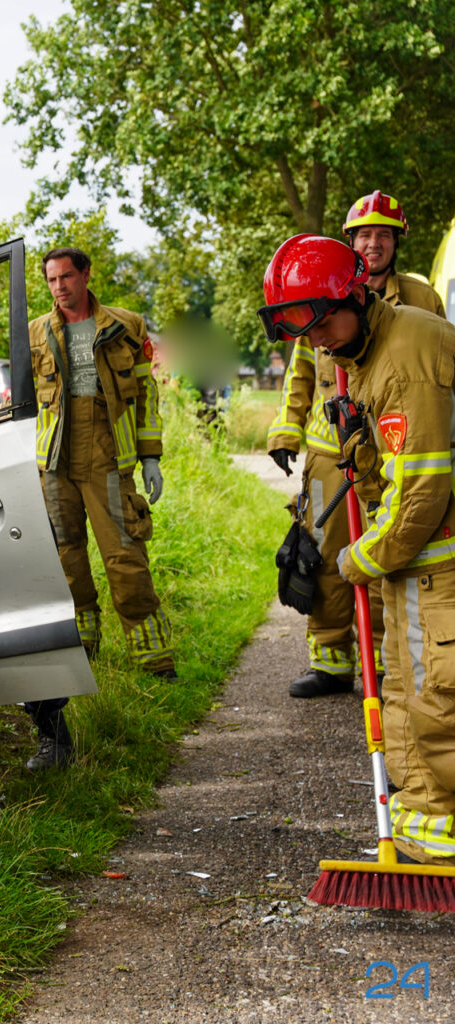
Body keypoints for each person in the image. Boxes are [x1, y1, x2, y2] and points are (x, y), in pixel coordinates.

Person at [259, 232, 455, 864]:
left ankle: (443, 821)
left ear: (352, 296)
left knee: (436, 696)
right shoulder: (361, 353)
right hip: (413, 565)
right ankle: (423, 810)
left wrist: (361, 559)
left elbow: (422, 493)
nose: (312, 340)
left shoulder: (405, 357)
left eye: (317, 321)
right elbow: (381, 472)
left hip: (437, 559)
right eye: (298, 328)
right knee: (399, 686)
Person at [265, 192, 444, 698]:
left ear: (396, 243)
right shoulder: (315, 289)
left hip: (389, 448)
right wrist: (285, 430)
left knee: (392, 544)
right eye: (364, 235)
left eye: (383, 235)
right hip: (330, 452)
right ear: (351, 241)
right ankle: (330, 659)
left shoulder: (419, 299)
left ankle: (385, 658)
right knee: (326, 551)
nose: (373, 243)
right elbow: (299, 373)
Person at [28, 247, 174, 769]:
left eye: (67, 276)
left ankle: (154, 658)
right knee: (65, 556)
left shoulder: (126, 326)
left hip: (109, 458)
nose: (59, 286)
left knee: (124, 554)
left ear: (87, 275)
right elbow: (23, 402)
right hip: (55, 462)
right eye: (51, 279)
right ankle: (83, 647)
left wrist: (151, 456)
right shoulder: (34, 332)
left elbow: (147, 396)